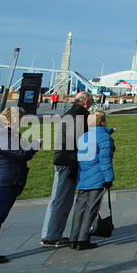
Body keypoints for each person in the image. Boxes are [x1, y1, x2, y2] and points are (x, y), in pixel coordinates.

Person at [41, 92, 92, 249]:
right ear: (85, 102)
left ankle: (50, 233)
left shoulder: (70, 114)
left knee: (58, 198)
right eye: (91, 101)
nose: (92, 104)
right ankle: (51, 235)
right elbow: (77, 142)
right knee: (61, 199)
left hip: (63, 159)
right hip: (67, 161)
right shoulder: (79, 117)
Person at [0, 108, 42, 264]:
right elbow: (21, 154)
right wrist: (36, 144)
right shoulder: (3, 136)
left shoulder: (5, 134)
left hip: (5, 178)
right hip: (5, 181)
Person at [68, 112, 115, 251]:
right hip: (97, 176)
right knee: (91, 209)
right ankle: (83, 238)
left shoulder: (84, 137)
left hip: (84, 176)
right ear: (103, 122)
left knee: (80, 208)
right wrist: (108, 178)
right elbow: (105, 160)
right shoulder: (104, 137)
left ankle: (73, 238)